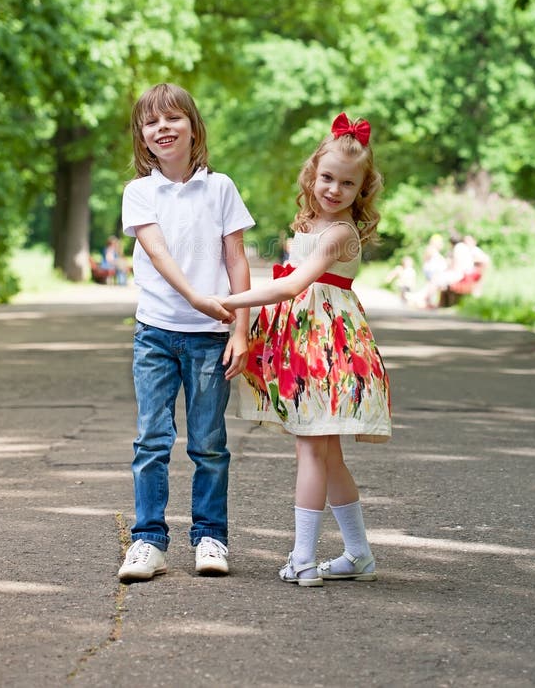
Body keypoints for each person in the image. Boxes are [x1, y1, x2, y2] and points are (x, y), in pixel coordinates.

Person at [217, 113, 391, 587]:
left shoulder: (339, 234)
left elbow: (291, 285)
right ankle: (357, 556)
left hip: (328, 353)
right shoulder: (308, 223)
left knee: (312, 451)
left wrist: (231, 301)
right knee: (326, 453)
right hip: (304, 349)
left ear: (362, 190)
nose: (334, 189)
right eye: (327, 178)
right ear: (313, 174)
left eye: (347, 184)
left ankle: (302, 558)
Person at [118, 82, 255, 582]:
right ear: (143, 137)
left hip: (210, 337)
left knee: (209, 443)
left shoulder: (220, 187)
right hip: (155, 333)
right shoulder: (139, 192)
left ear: (193, 127)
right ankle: (148, 541)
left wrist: (240, 330)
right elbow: (156, 253)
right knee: (152, 440)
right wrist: (196, 296)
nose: (163, 128)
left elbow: (236, 260)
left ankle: (211, 537)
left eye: (173, 118)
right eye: (152, 122)